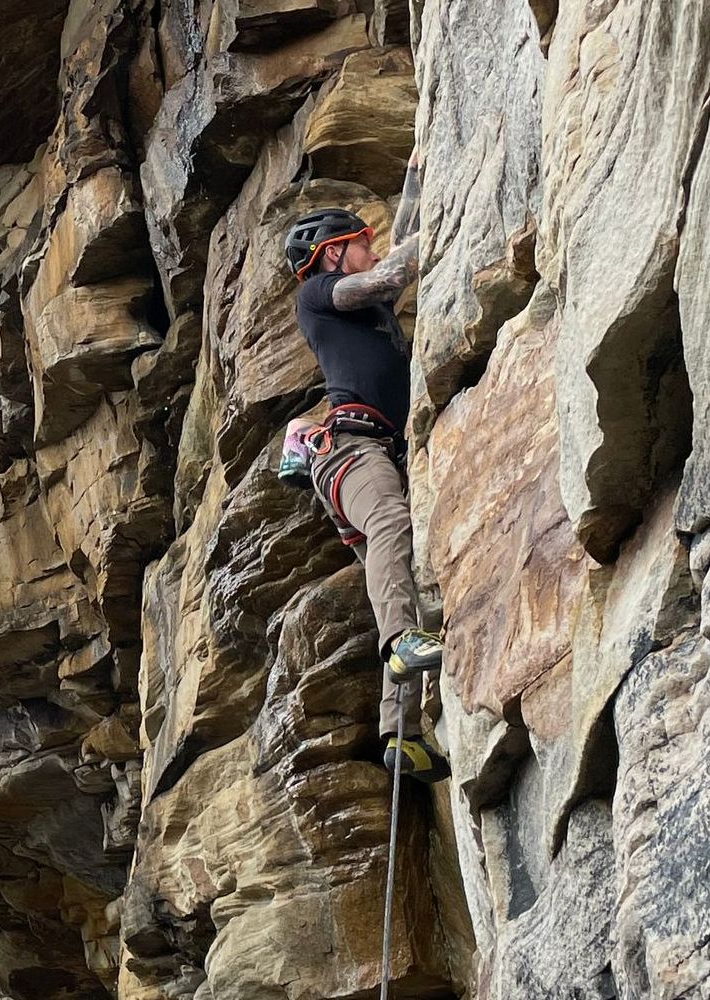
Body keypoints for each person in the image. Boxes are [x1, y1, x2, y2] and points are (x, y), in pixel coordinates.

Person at [282, 150, 449, 783]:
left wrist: (417, 173)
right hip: (351, 449)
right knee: (389, 519)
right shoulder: (319, 296)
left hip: (377, 449)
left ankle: (398, 732)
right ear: (330, 255)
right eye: (359, 243)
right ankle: (403, 644)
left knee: (397, 570)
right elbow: (385, 277)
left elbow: (390, 266)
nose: (371, 252)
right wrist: (440, 223)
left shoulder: (365, 305)